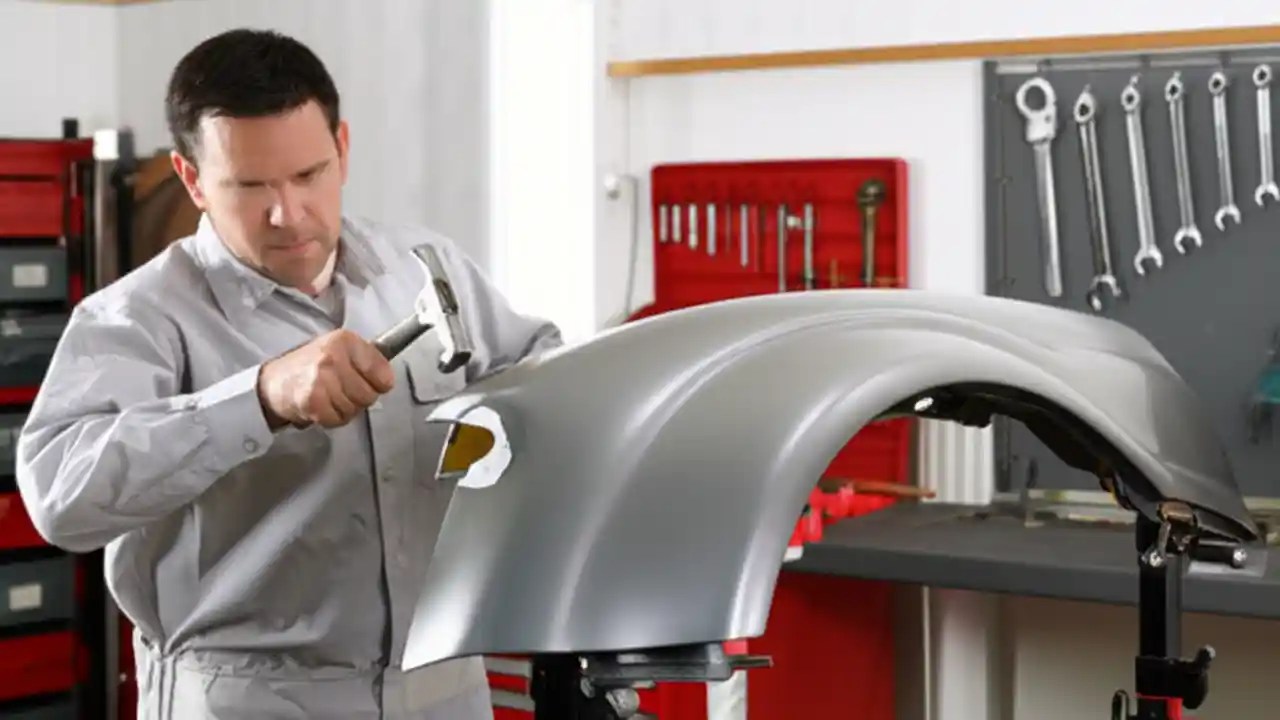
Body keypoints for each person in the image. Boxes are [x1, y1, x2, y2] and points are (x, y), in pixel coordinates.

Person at [15, 27, 561, 720]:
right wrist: (260, 398)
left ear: (343, 148)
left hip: (444, 687)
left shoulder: (429, 265)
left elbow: (546, 385)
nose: (288, 213)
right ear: (192, 180)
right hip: (251, 701)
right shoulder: (136, 317)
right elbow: (61, 498)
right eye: (250, 186)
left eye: (309, 175)